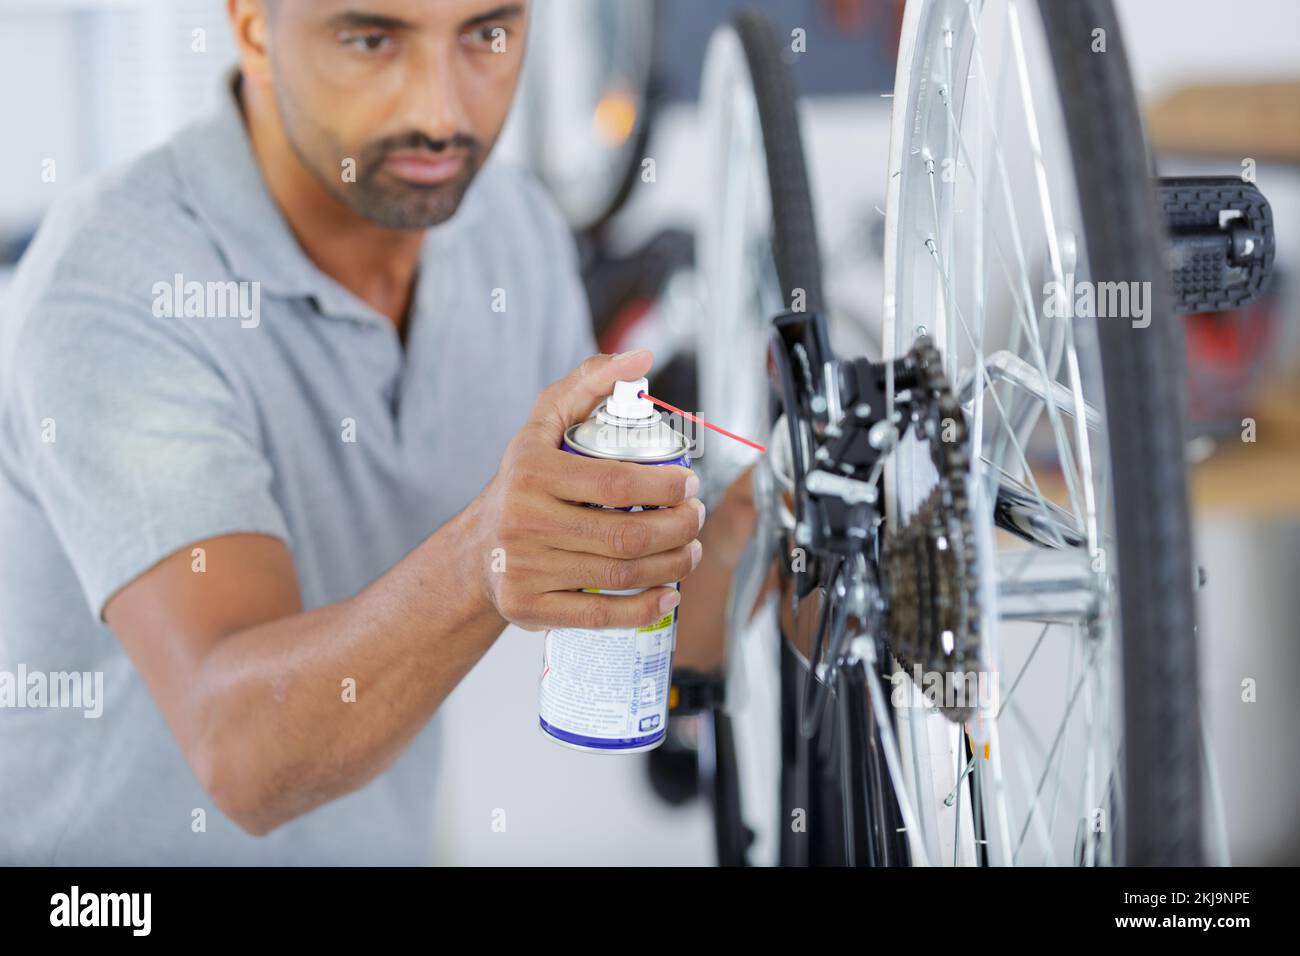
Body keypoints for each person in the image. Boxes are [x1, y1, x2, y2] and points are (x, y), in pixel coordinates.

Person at [0, 0, 753, 864]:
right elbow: (242, 755)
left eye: (486, 34)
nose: (440, 111)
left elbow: (625, 603)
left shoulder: (511, 233)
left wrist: (758, 544)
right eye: (372, 38)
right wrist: (479, 557)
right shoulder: (117, 283)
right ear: (252, 26)